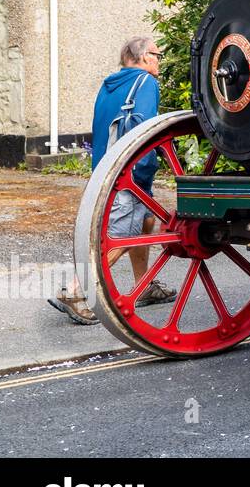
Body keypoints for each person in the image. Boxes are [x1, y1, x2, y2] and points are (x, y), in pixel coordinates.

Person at [48, 36, 176, 325]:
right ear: (144, 58)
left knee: (145, 223)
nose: (159, 61)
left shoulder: (110, 84)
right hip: (129, 174)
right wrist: (141, 173)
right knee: (121, 236)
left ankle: (144, 285)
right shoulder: (146, 83)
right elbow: (144, 131)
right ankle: (76, 291)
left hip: (106, 169)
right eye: (157, 55)